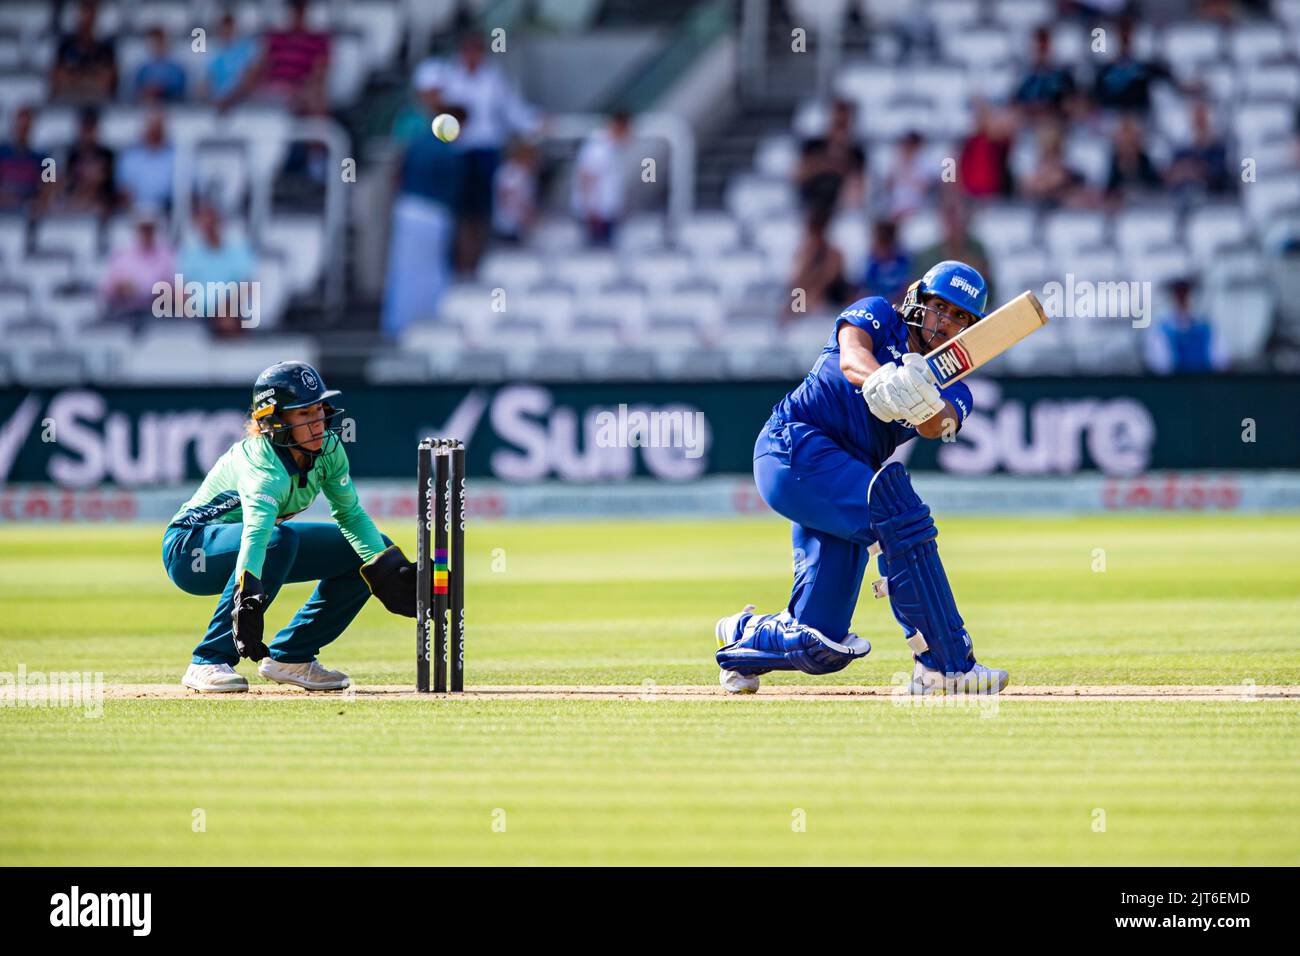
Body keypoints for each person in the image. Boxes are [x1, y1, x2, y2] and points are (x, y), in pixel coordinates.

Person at [715, 260, 1009, 696]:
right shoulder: (879, 314)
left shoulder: (954, 384)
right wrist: (883, 380)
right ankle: (945, 665)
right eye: (940, 308)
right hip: (794, 446)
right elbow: (852, 354)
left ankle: (744, 636)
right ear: (917, 301)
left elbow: (939, 425)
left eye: (961, 317)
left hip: (845, 479)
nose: (947, 322)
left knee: (821, 644)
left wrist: (922, 399)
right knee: (898, 510)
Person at [163, 362, 421, 693]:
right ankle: (208, 659)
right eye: (303, 415)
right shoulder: (262, 467)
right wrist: (249, 602)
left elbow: (351, 515)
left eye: (319, 410)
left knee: (363, 555)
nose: (317, 423)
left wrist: (387, 567)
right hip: (190, 548)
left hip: (262, 544)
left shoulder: (329, 450)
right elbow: (256, 536)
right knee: (276, 540)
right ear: (274, 420)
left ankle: (292, 656)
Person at [419, 32, 541, 271]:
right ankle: (460, 263)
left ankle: (482, 262)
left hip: (486, 149)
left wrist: (535, 122)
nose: (473, 57)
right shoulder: (449, 78)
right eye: (468, 52)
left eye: (477, 52)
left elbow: (512, 111)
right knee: (460, 210)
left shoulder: (493, 79)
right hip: (459, 151)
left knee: (485, 208)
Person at [381, 82, 468, 339]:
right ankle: (415, 325)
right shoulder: (449, 153)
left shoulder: (417, 141)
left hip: (408, 210)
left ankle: (400, 324)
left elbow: (397, 174)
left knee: (407, 271)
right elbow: (452, 193)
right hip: (430, 214)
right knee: (424, 273)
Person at [178, 201, 258, 336]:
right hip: (199, 314)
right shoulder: (190, 253)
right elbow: (182, 289)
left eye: (211, 223)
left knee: (228, 320)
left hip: (232, 310)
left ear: (219, 223)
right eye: (203, 224)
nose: (207, 228)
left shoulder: (238, 249)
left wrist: (225, 306)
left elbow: (247, 285)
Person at [795, 98, 865, 222]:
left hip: (840, 206)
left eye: (843, 124)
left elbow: (859, 184)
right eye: (837, 123)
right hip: (811, 202)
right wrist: (830, 161)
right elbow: (798, 175)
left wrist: (841, 153)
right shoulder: (812, 146)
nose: (840, 127)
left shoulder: (856, 152)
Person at [99, 208, 175, 323]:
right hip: (126, 314)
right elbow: (107, 291)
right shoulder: (121, 256)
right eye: (143, 229)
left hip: (159, 314)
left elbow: (176, 289)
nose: (146, 233)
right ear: (136, 231)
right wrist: (120, 289)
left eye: (150, 229)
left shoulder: (167, 255)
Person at [572, 112, 633, 246]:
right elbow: (587, 178)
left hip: (605, 213)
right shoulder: (598, 146)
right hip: (596, 215)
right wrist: (590, 211)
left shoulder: (613, 148)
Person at [1143, 279, 1227, 374]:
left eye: (1185, 294)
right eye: (1179, 295)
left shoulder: (1206, 329)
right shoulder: (1161, 331)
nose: (1183, 299)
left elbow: (1220, 362)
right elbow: (1161, 365)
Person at [786, 208, 851, 321]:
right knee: (796, 297)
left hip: (831, 298)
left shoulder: (834, 254)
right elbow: (796, 280)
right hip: (807, 298)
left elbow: (828, 279)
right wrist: (809, 256)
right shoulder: (803, 253)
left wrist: (814, 295)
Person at [51, 1, 117, 102]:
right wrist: (91, 79)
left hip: (97, 101)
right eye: (83, 16)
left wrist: (74, 79)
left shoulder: (105, 48)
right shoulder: (65, 46)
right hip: (67, 101)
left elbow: (107, 83)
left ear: (95, 19)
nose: (86, 21)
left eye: (89, 16)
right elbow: (58, 79)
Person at [59, 106, 117, 216]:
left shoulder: (108, 155)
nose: (88, 133)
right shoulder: (70, 155)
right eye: (85, 128)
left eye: (91, 128)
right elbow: (66, 185)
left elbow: (110, 187)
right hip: (75, 202)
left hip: (100, 203)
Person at [1013, 27, 1076, 123]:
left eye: (1044, 48)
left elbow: (1070, 106)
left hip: (1056, 125)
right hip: (1028, 124)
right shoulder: (1022, 75)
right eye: (1038, 48)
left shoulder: (1062, 76)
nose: (1041, 53)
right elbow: (1016, 105)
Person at [116, 110, 175, 211]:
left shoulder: (176, 156)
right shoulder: (130, 156)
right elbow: (123, 189)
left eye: (157, 127)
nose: (153, 131)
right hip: (134, 212)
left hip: (167, 211)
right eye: (151, 126)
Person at [0, 106, 50, 214]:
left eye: (26, 128)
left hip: (28, 213)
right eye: (20, 128)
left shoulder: (45, 158)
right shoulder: (2, 153)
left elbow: (49, 190)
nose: (22, 132)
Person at [204, 12, 259, 110]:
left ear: (235, 29)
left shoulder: (246, 50)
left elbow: (249, 79)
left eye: (229, 29)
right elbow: (207, 80)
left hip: (240, 103)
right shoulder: (212, 51)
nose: (226, 32)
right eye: (224, 29)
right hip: (215, 102)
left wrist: (229, 99)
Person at [493, 138, 540, 244]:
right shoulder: (512, 172)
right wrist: (525, 217)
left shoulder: (523, 173)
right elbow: (511, 199)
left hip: (517, 225)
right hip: (509, 225)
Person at [860, 218, 911, 305]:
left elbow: (907, 287)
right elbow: (866, 289)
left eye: (885, 242)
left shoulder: (903, 261)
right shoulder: (870, 262)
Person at [132, 26, 187, 103]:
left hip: (171, 105)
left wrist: (162, 87)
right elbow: (137, 90)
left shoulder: (176, 68)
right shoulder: (143, 69)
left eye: (160, 43)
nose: (157, 46)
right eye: (154, 43)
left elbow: (180, 89)